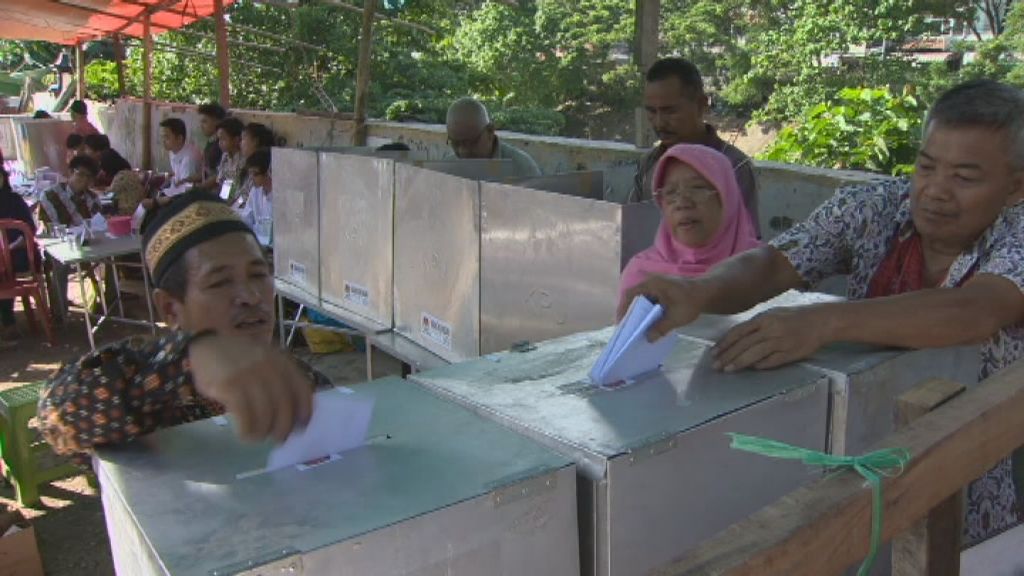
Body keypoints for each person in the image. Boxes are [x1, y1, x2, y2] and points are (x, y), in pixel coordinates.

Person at [622, 80, 1024, 546]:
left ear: (1016, 185)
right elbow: (774, 262)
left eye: (964, 178)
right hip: (862, 459)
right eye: (926, 166)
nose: (935, 191)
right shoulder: (874, 206)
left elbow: (977, 308)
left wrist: (826, 322)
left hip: (975, 483)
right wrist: (699, 289)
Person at [36, 193, 319, 456]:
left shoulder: (297, 382)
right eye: (220, 282)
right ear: (171, 309)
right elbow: (55, 415)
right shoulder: (154, 396)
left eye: (258, 274)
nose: (252, 296)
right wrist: (192, 358)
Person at [618, 144, 759, 309]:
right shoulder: (641, 275)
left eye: (697, 188)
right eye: (670, 192)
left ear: (727, 197)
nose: (682, 203)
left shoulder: (764, 269)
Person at [633, 58, 760, 237]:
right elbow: (630, 230)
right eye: (652, 111)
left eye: (670, 111)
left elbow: (746, 243)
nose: (659, 123)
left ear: (701, 105)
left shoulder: (734, 167)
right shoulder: (648, 164)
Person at [445, 98, 541, 177]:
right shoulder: (447, 169)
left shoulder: (521, 169)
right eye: (455, 143)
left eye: (470, 143)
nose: (463, 151)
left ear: (490, 131)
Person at [0, 168, 35, 343]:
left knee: (5, 269)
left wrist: (10, 248)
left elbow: (29, 229)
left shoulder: (14, 200)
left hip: (17, 254)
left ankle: (9, 323)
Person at [36, 154, 101, 229]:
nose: (85, 180)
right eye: (81, 174)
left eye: (89, 177)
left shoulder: (93, 199)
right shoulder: (50, 196)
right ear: (70, 172)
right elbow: (48, 229)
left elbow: (98, 226)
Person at [198, 117, 244, 199]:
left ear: (236, 140)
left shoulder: (243, 160)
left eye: (223, 139)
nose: (220, 143)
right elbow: (219, 181)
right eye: (219, 139)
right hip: (223, 197)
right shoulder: (225, 156)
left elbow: (239, 191)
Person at [160, 117, 203, 196]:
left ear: (179, 139)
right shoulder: (173, 150)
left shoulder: (189, 158)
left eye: (167, 137)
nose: (163, 141)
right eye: (163, 137)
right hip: (178, 189)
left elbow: (186, 189)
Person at [239, 149, 272, 236]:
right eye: (249, 174)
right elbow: (246, 218)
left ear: (268, 173)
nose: (251, 178)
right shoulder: (255, 191)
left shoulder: (280, 195)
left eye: (255, 174)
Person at [100, 150, 143, 216]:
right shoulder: (127, 173)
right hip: (134, 209)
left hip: (128, 212)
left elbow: (110, 194)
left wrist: (97, 193)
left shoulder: (122, 176)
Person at [197, 103, 227, 186]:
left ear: (217, 121)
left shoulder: (221, 146)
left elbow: (219, 175)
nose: (201, 126)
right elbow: (205, 172)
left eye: (205, 121)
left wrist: (200, 187)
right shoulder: (211, 142)